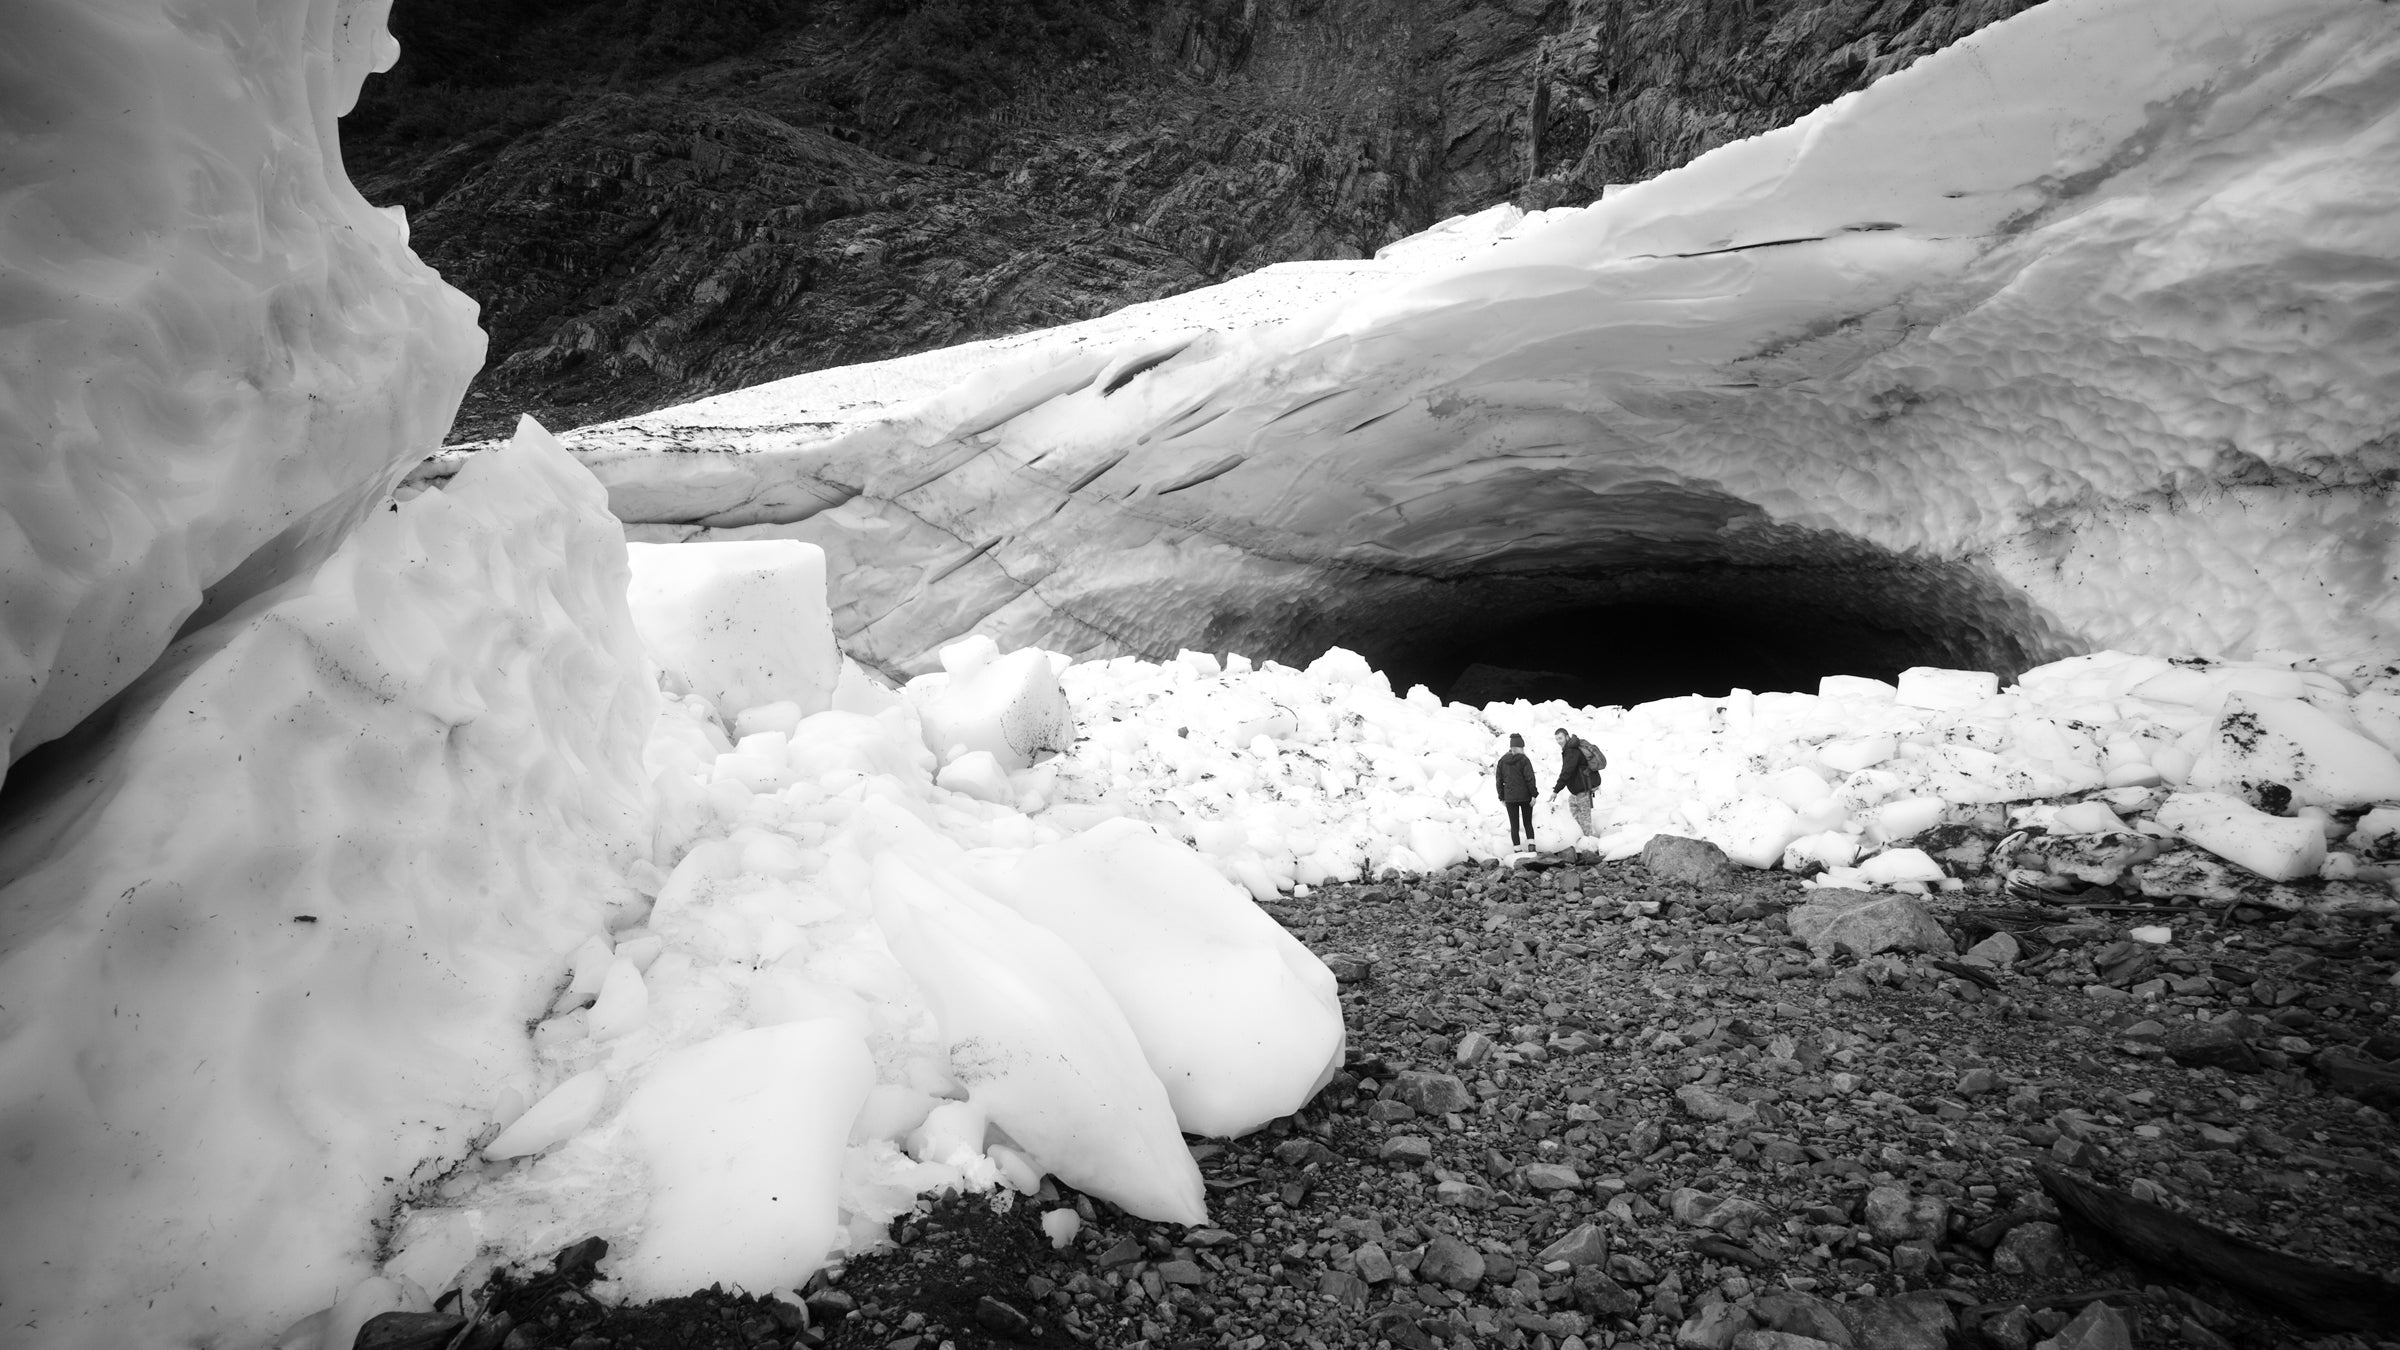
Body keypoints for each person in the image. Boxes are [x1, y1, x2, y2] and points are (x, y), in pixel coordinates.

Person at [1551, 727, 1605, 838]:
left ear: (1567, 736)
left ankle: (1589, 844)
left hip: (1583, 789)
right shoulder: (1570, 748)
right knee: (1574, 807)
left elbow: (1566, 772)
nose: (1558, 741)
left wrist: (1556, 790)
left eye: (1560, 738)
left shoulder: (1571, 751)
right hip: (1579, 789)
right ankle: (1582, 838)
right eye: (1557, 739)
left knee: (1585, 820)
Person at [1494, 733, 1537, 849]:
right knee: (1527, 823)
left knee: (1514, 826)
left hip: (1510, 798)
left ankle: (1517, 851)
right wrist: (1533, 795)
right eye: (1522, 748)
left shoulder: (1502, 761)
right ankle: (1532, 848)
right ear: (1519, 747)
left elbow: (1499, 781)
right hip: (1525, 797)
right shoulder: (1524, 760)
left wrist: (1501, 797)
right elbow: (1530, 778)